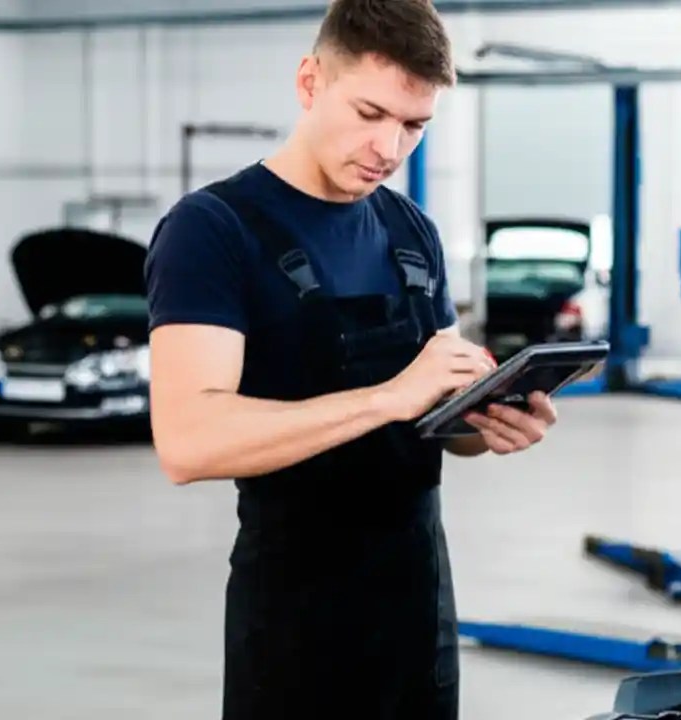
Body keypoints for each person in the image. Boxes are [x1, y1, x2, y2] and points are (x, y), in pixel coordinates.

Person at [142, 1, 560, 717]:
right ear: (310, 83)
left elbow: (433, 419)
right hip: (295, 629)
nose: (389, 148)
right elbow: (187, 440)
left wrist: (485, 424)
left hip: (418, 613)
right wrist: (387, 397)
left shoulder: (411, 229)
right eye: (370, 113)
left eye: (413, 126)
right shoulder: (211, 231)